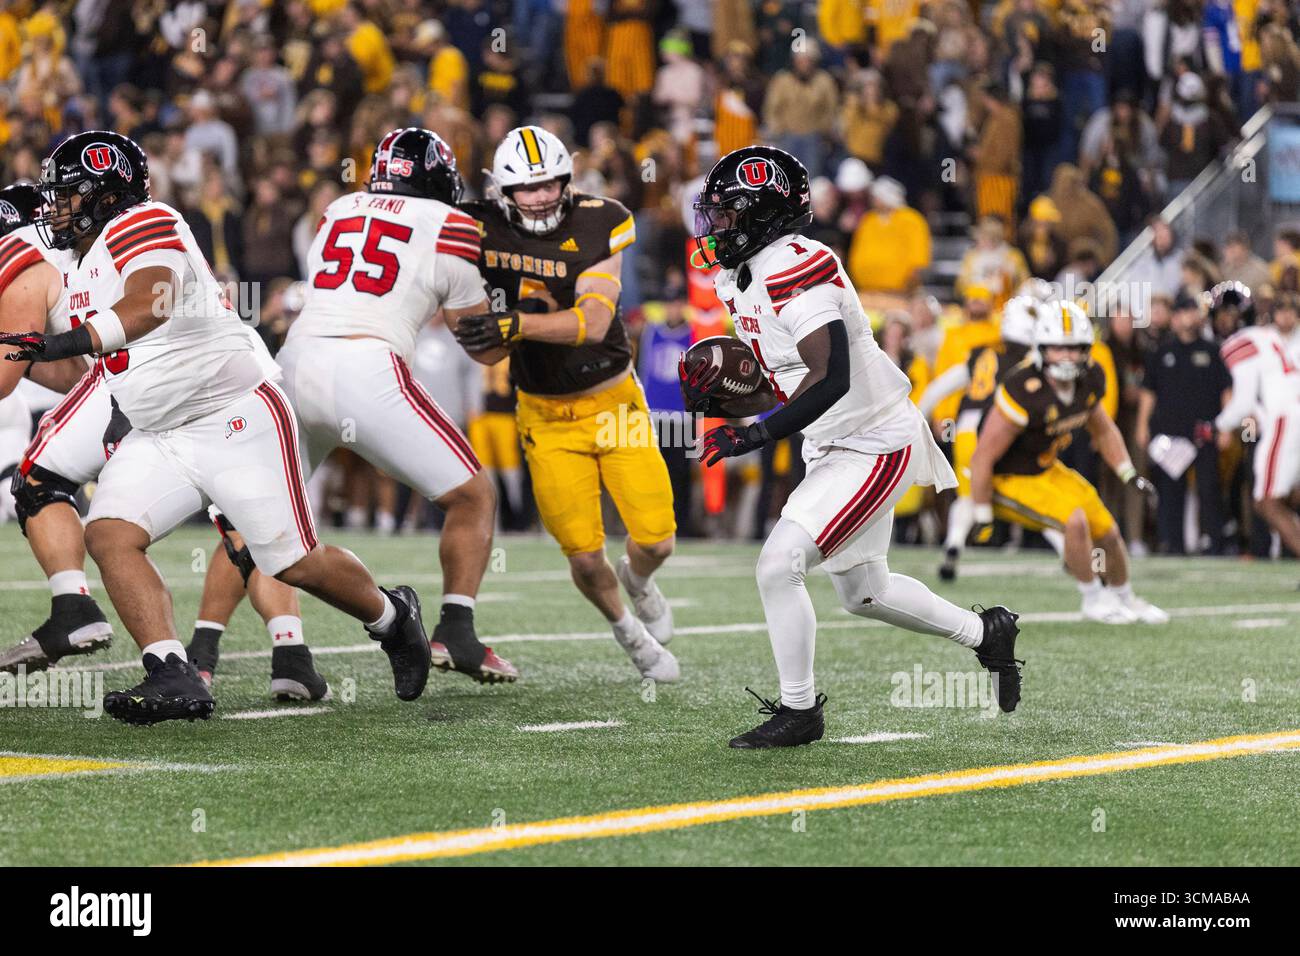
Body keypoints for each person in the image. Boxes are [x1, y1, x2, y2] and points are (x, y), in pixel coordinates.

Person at [0, 131, 431, 724]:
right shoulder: (79, 261)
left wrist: (58, 340)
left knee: (291, 562)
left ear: (105, 195)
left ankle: (392, 616)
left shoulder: (147, 221)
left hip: (234, 414)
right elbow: (82, 364)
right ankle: (172, 672)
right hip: (160, 430)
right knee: (109, 534)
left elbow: (151, 301)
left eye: (69, 195)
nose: (56, 208)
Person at [684, 145, 1022, 748]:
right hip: (833, 440)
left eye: (730, 213)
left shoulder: (796, 262)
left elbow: (830, 375)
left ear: (762, 213)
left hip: (874, 439)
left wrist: (757, 434)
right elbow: (787, 377)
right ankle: (986, 632)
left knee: (778, 563)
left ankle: (800, 710)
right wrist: (731, 400)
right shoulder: (735, 278)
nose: (718, 225)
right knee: (867, 593)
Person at [186, 127, 518, 686]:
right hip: (370, 371)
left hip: (296, 363)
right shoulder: (452, 224)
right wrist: (518, 313)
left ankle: (202, 659)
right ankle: (456, 629)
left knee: (251, 518)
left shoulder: (339, 210)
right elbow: (480, 345)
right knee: (473, 495)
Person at [454, 125, 679, 682]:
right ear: (501, 192)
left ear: (567, 179)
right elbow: (485, 354)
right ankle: (631, 634)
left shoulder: (601, 218)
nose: (537, 198)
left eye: (548, 185)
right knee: (581, 553)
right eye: (524, 189)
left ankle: (639, 579)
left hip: (614, 403)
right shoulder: (475, 225)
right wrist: (491, 324)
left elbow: (592, 322)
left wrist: (517, 319)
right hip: (545, 415)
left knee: (656, 540)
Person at [969, 301, 1168, 625]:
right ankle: (1092, 598)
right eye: (1058, 349)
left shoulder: (1089, 378)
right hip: (1009, 478)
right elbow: (983, 457)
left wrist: (1127, 472)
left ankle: (1124, 597)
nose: (1067, 357)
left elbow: (1103, 430)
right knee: (1075, 521)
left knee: (1107, 529)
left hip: (1046, 468)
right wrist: (979, 512)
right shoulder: (1024, 387)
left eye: (1074, 349)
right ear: (1042, 348)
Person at [917, 295, 1040, 582]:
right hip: (994, 432)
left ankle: (954, 544)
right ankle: (1066, 549)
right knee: (1027, 486)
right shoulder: (1029, 361)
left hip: (964, 429)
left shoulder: (981, 353)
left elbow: (936, 390)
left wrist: (915, 421)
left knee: (967, 495)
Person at [1137, 292, 1232, 554]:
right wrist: (1142, 425)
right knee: (1169, 492)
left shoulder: (1212, 351)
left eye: (1192, 312)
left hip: (1204, 431)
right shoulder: (1161, 351)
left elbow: (1226, 390)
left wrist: (1226, 426)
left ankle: (1215, 543)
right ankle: (1172, 544)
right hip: (1170, 433)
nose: (1188, 317)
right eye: (1183, 312)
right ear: (1175, 318)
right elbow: (1148, 391)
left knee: (1209, 488)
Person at [1213, 285, 1300, 561]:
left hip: (1286, 418)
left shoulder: (1240, 342)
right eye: (1221, 315)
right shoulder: (1267, 336)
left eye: (1230, 314)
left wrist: (1219, 425)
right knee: (1289, 495)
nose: (1225, 320)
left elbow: (1243, 400)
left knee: (1265, 500)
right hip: (1287, 413)